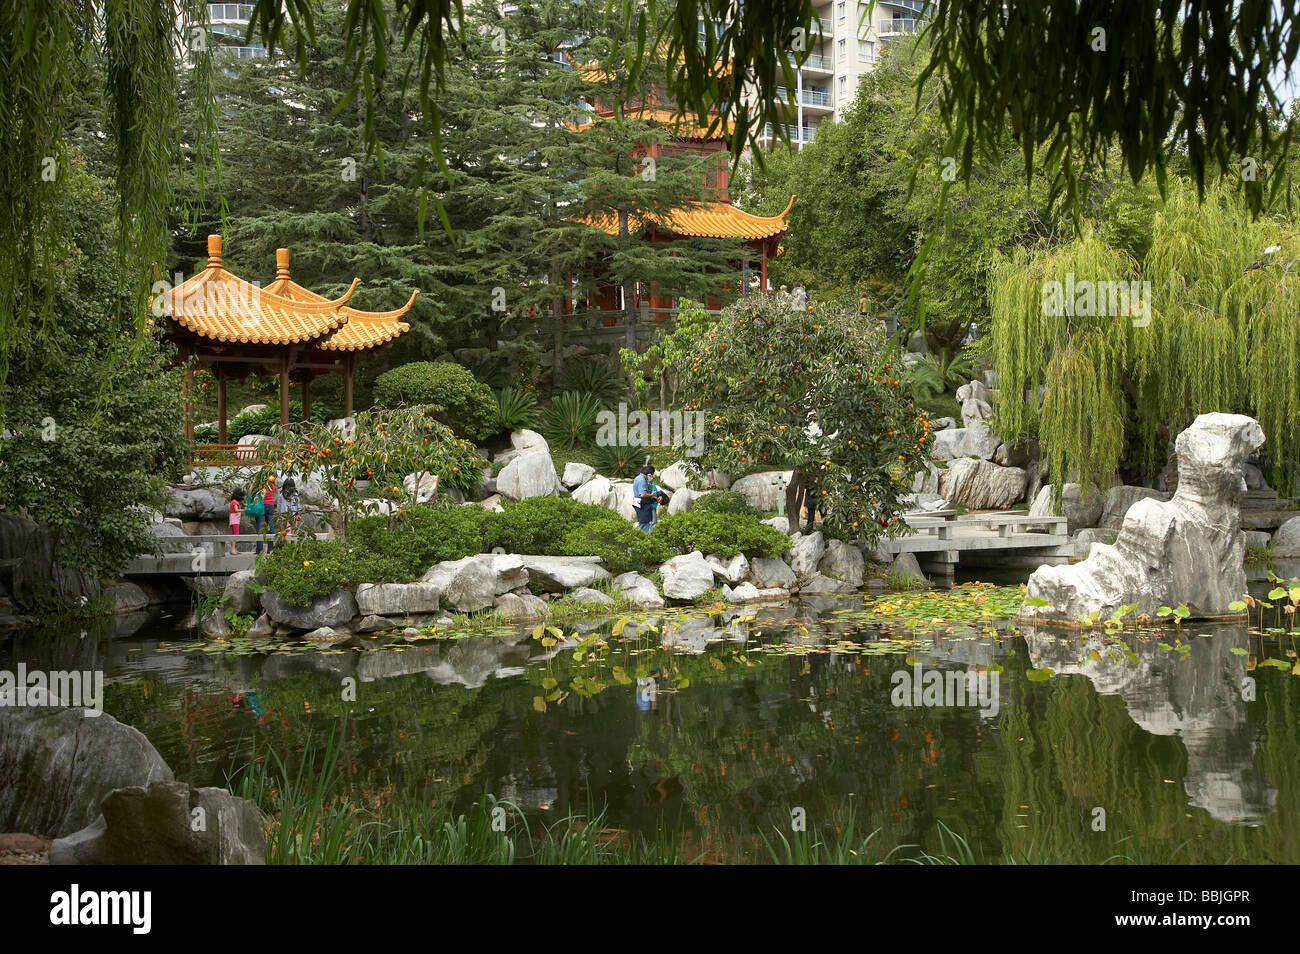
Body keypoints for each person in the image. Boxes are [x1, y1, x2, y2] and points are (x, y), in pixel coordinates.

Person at [632, 464, 658, 532]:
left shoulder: (640, 478)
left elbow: (648, 488)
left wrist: (651, 482)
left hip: (641, 503)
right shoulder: (642, 480)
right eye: (651, 474)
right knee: (644, 523)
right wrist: (651, 494)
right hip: (642, 504)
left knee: (647, 522)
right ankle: (644, 539)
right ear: (649, 474)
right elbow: (642, 495)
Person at [227, 488, 245, 554]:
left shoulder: (234, 501)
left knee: (234, 535)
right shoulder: (234, 502)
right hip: (235, 521)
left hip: (234, 520)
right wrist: (244, 510)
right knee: (235, 535)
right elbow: (236, 510)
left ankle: (233, 549)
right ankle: (232, 549)